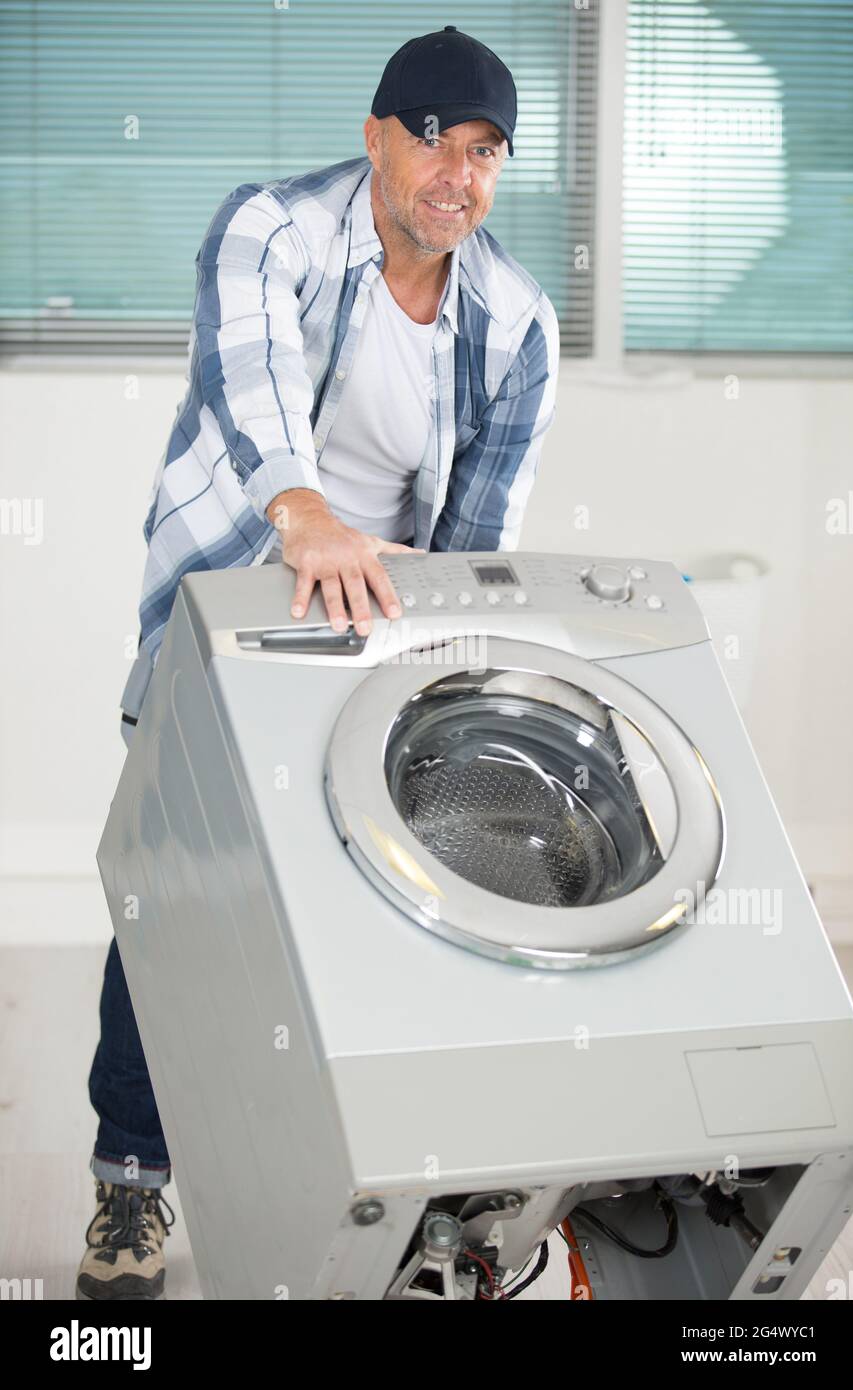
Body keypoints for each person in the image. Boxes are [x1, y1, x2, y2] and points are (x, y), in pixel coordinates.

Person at [77, 24, 559, 1300]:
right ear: (374, 133)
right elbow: (253, 399)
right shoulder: (272, 232)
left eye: (486, 153)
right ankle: (131, 1181)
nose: (458, 175)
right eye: (434, 140)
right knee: (175, 893)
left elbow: (476, 538)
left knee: (405, 890)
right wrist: (308, 516)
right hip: (233, 591)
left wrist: (436, 663)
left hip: (379, 624)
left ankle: (398, 1191)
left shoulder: (513, 323)